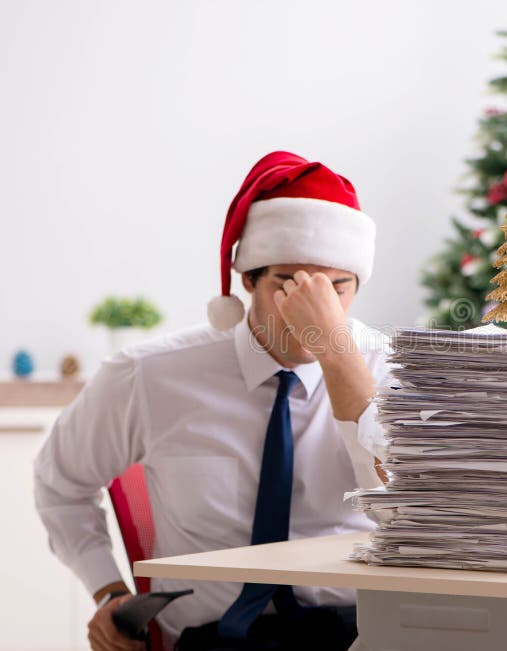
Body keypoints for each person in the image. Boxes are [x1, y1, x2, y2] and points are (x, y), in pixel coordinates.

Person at [34, 151, 389, 650]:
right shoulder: (148, 376)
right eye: (292, 285)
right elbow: (59, 482)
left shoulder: (393, 370)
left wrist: (339, 358)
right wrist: (108, 591)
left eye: (336, 288)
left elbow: (417, 514)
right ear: (247, 280)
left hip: (363, 632)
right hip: (214, 639)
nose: (317, 309)